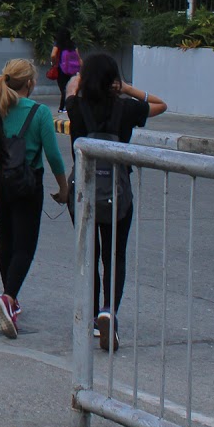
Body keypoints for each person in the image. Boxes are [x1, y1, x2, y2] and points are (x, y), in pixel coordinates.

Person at [66, 53, 167, 351]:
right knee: (115, 255)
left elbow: (70, 92)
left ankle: (91, 317)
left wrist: (75, 86)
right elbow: (161, 105)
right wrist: (128, 89)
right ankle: (109, 311)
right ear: (114, 79)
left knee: (89, 254)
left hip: (83, 194)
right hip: (117, 192)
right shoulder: (125, 108)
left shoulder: (75, 107)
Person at [0, 58, 69, 339]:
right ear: (31, 84)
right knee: (25, 245)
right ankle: (9, 297)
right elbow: (54, 155)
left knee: (6, 240)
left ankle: (9, 295)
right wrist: (63, 188)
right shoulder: (39, 112)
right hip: (27, 185)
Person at [50, 28, 79, 110]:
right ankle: (71, 106)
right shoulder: (72, 44)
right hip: (72, 69)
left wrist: (54, 62)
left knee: (63, 89)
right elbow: (78, 57)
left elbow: (53, 55)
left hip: (61, 69)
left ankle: (62, 107)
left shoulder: (58, 43)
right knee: (71, 88)